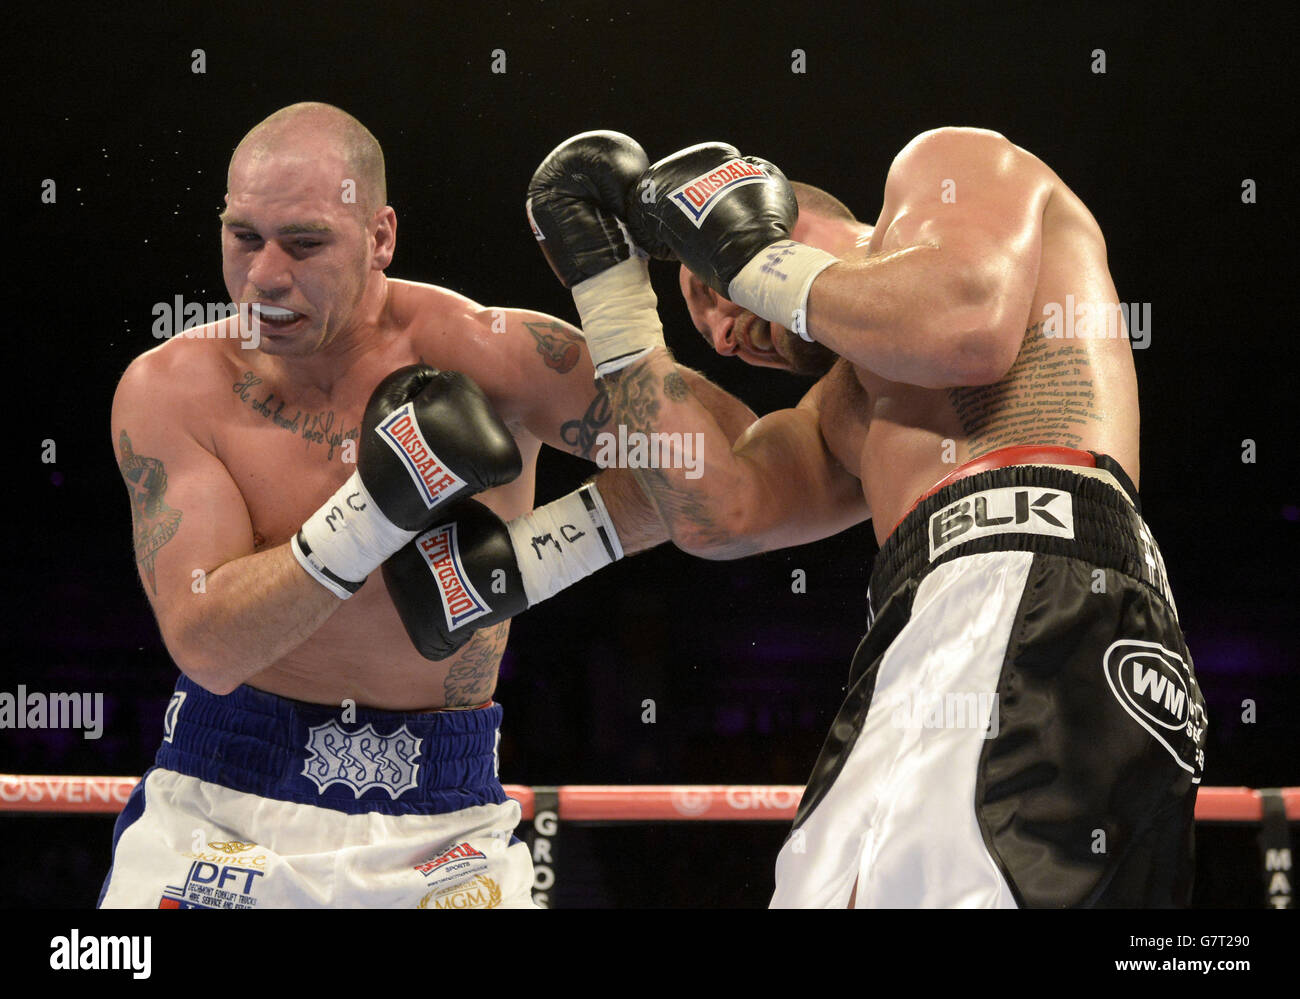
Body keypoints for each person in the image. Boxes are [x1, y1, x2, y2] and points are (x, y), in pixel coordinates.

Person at [527, 127, 1207, 908]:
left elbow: (968, 324)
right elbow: (718, 511)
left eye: (708, 287)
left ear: (763, 204)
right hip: (938, 631)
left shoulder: (947, 163)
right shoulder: (843, 409)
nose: (720, 333)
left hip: (1034, 584)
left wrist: (752, 262)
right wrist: (612, 300)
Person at [100, 103, 751, 910]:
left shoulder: (490, 353)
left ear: (380, 237)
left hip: (441, 818)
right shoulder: (174, 385)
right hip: (222, 793)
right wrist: (377, 508)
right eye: (243, 237)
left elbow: (724, 461)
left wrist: (539, 555)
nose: (265, 275)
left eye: (305, 243)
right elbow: (208, 647)